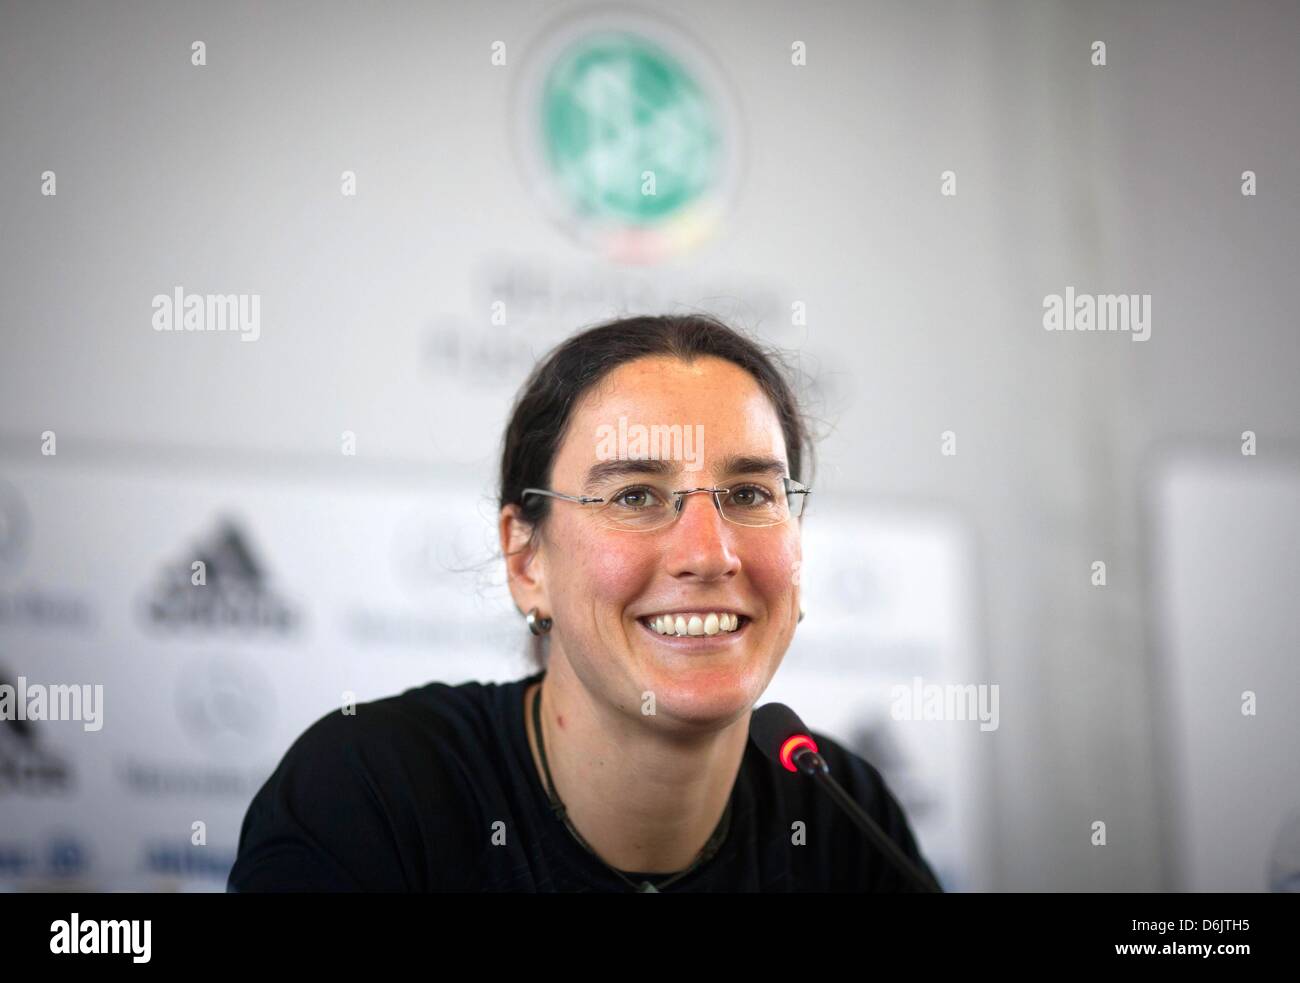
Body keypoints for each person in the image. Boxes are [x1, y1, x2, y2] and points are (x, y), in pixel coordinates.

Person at [227, 313, 941, 892]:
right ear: (526, 558)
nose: (710, 552)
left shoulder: (841, 810)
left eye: (750, 495)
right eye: (635, 496)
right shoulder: (372, 789)